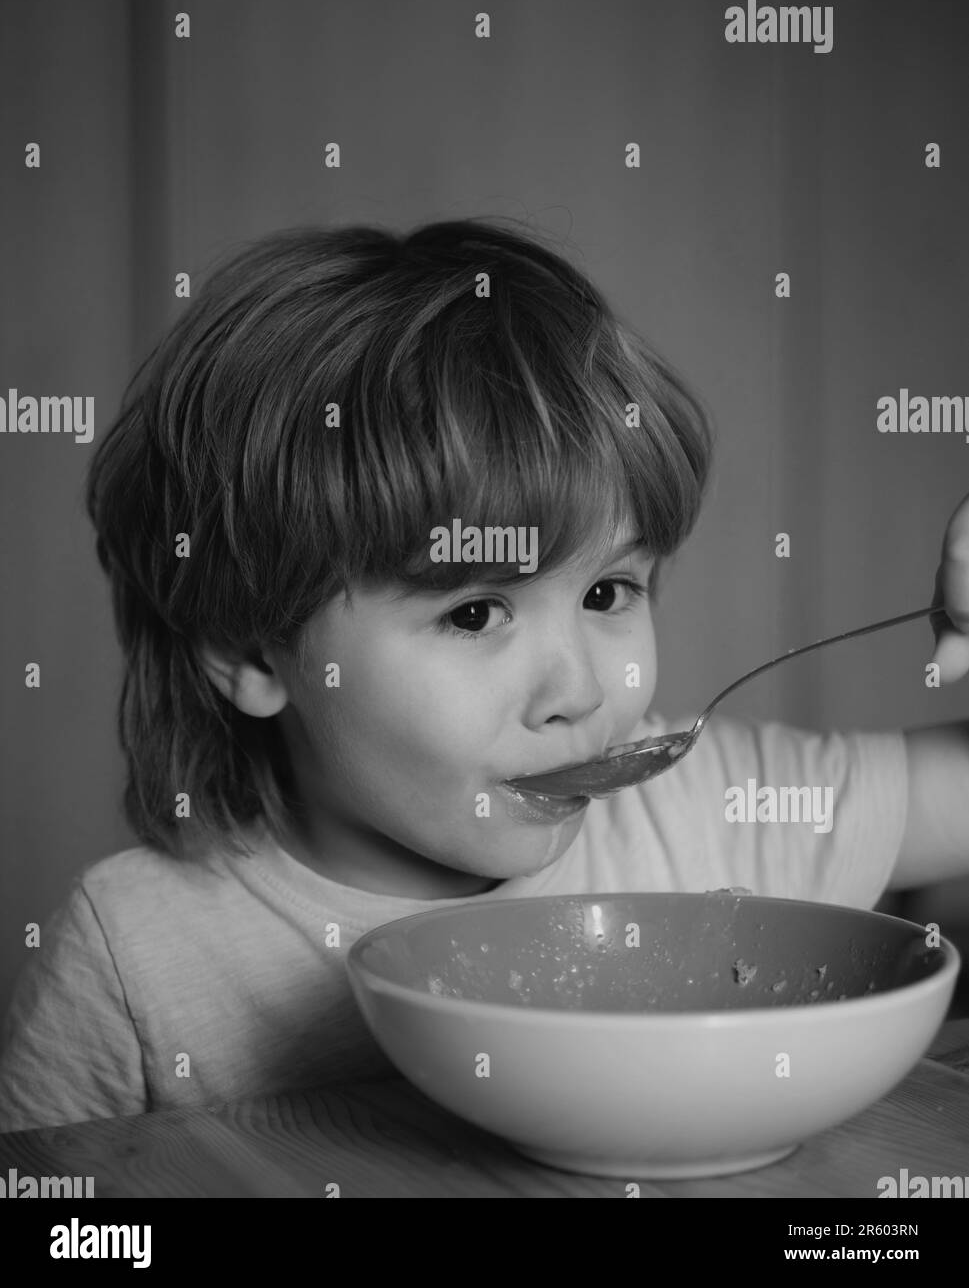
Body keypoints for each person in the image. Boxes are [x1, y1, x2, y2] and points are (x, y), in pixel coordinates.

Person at [1, 218, 967, 1132]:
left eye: (607, 594)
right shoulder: (132, 958)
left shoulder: (707, 806)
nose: (579, 693)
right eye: (473, 613)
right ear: (252, 653)